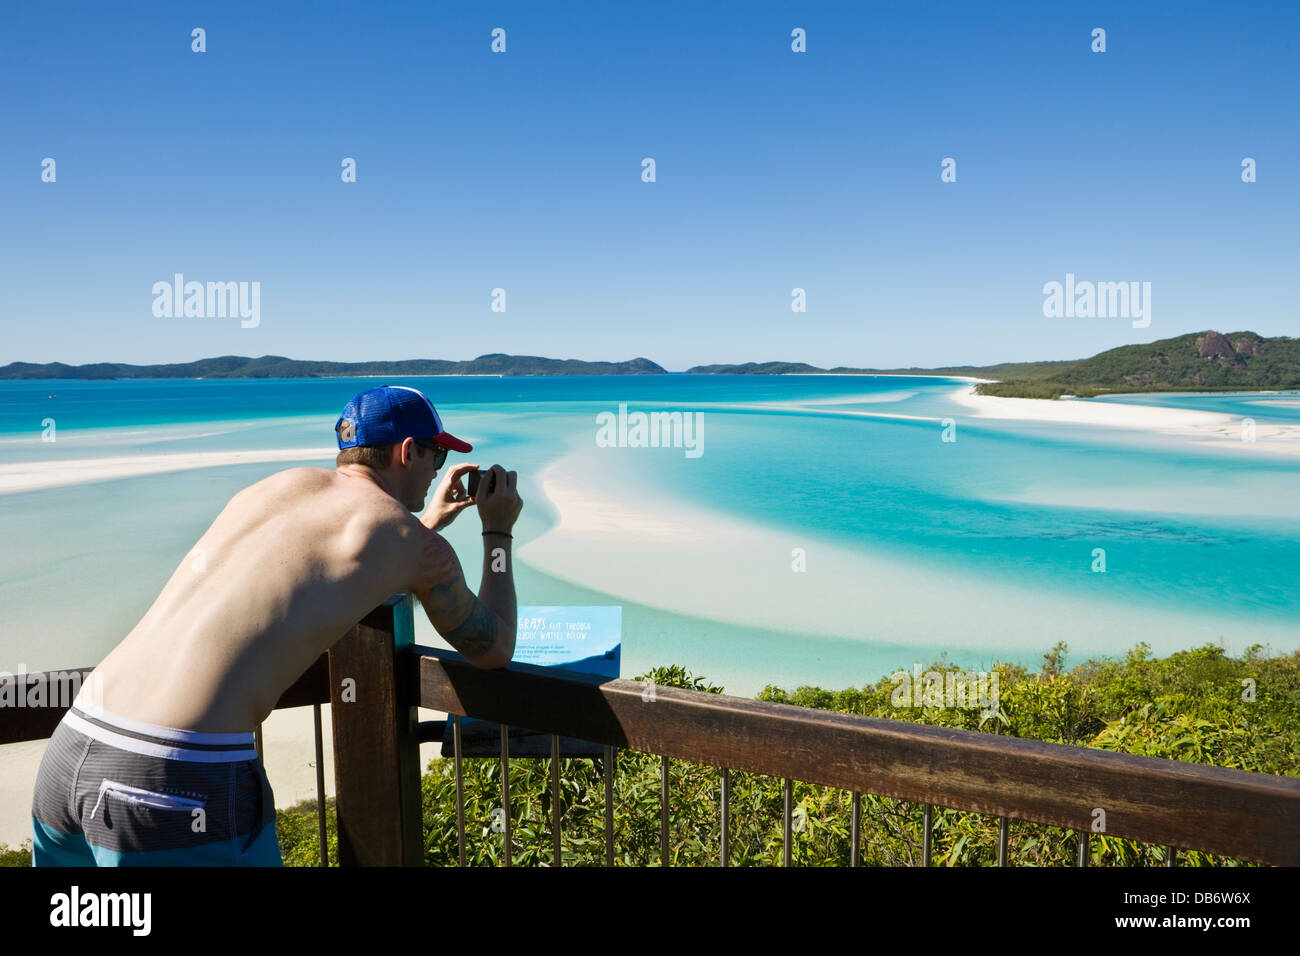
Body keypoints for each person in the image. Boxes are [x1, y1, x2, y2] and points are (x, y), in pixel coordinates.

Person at [30, 384, 522, 865]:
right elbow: (494, 647)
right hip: (177, 781)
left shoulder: (274, 488)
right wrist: (497, 530)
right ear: (408, 451)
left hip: (73, 746)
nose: (436, 471)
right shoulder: (412, 543)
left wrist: (425, 522)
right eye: (436, 457)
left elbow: (333, 563)